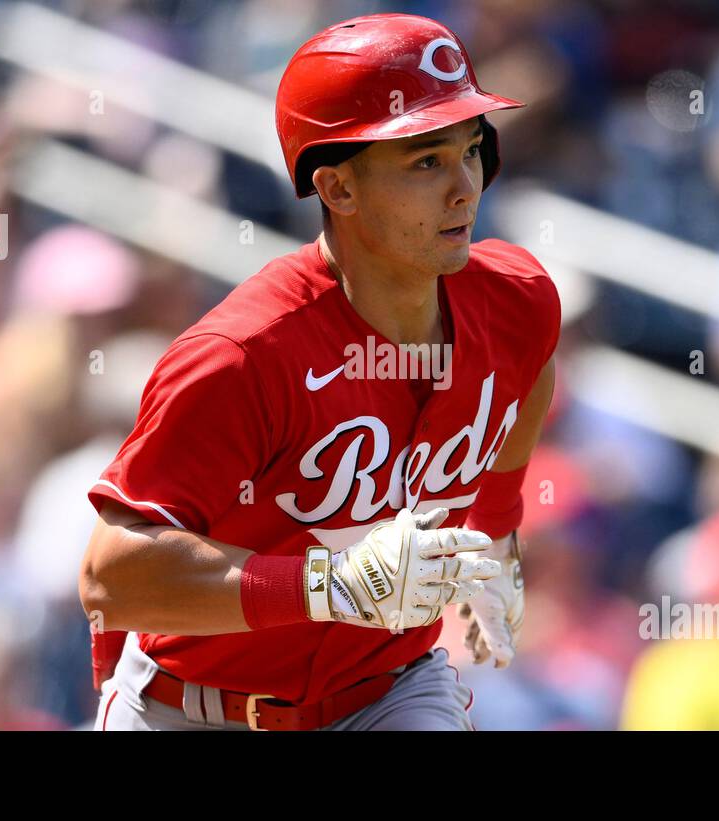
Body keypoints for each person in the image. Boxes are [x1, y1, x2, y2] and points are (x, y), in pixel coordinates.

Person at [79, 14, 561, 731]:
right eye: (425, 162)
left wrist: (496, 525)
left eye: (471, 149)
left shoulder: (515, 297)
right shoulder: (243, 355)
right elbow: (110, 577)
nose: (465, 187)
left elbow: (530, 376)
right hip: (197, 707)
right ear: (337, 188)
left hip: (389, 693)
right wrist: (324, 585)